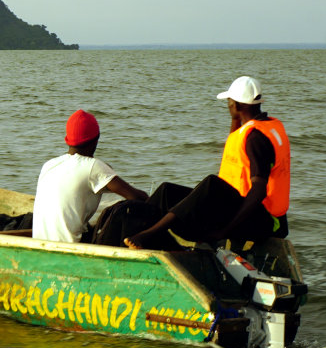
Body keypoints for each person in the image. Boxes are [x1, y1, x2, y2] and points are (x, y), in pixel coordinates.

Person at [124, 76, 290, 250]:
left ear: (237, 105)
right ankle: (138, 235)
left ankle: (149, 234)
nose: (228, 105)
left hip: (264, 220)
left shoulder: (256, 138)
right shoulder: (264, 126)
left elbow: (259, 190)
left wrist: (224, 231)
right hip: (247, 209)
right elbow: (235, 141)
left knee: (211, 185)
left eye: (229, 102)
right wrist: (235, 118)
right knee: (167, 191)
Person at [32, 110, 149, 243]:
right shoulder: (93, 166)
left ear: (67, 140)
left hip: (40, 242)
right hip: (72, 244)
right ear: (96, 140)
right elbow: (136, 197)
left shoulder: (49, 165)